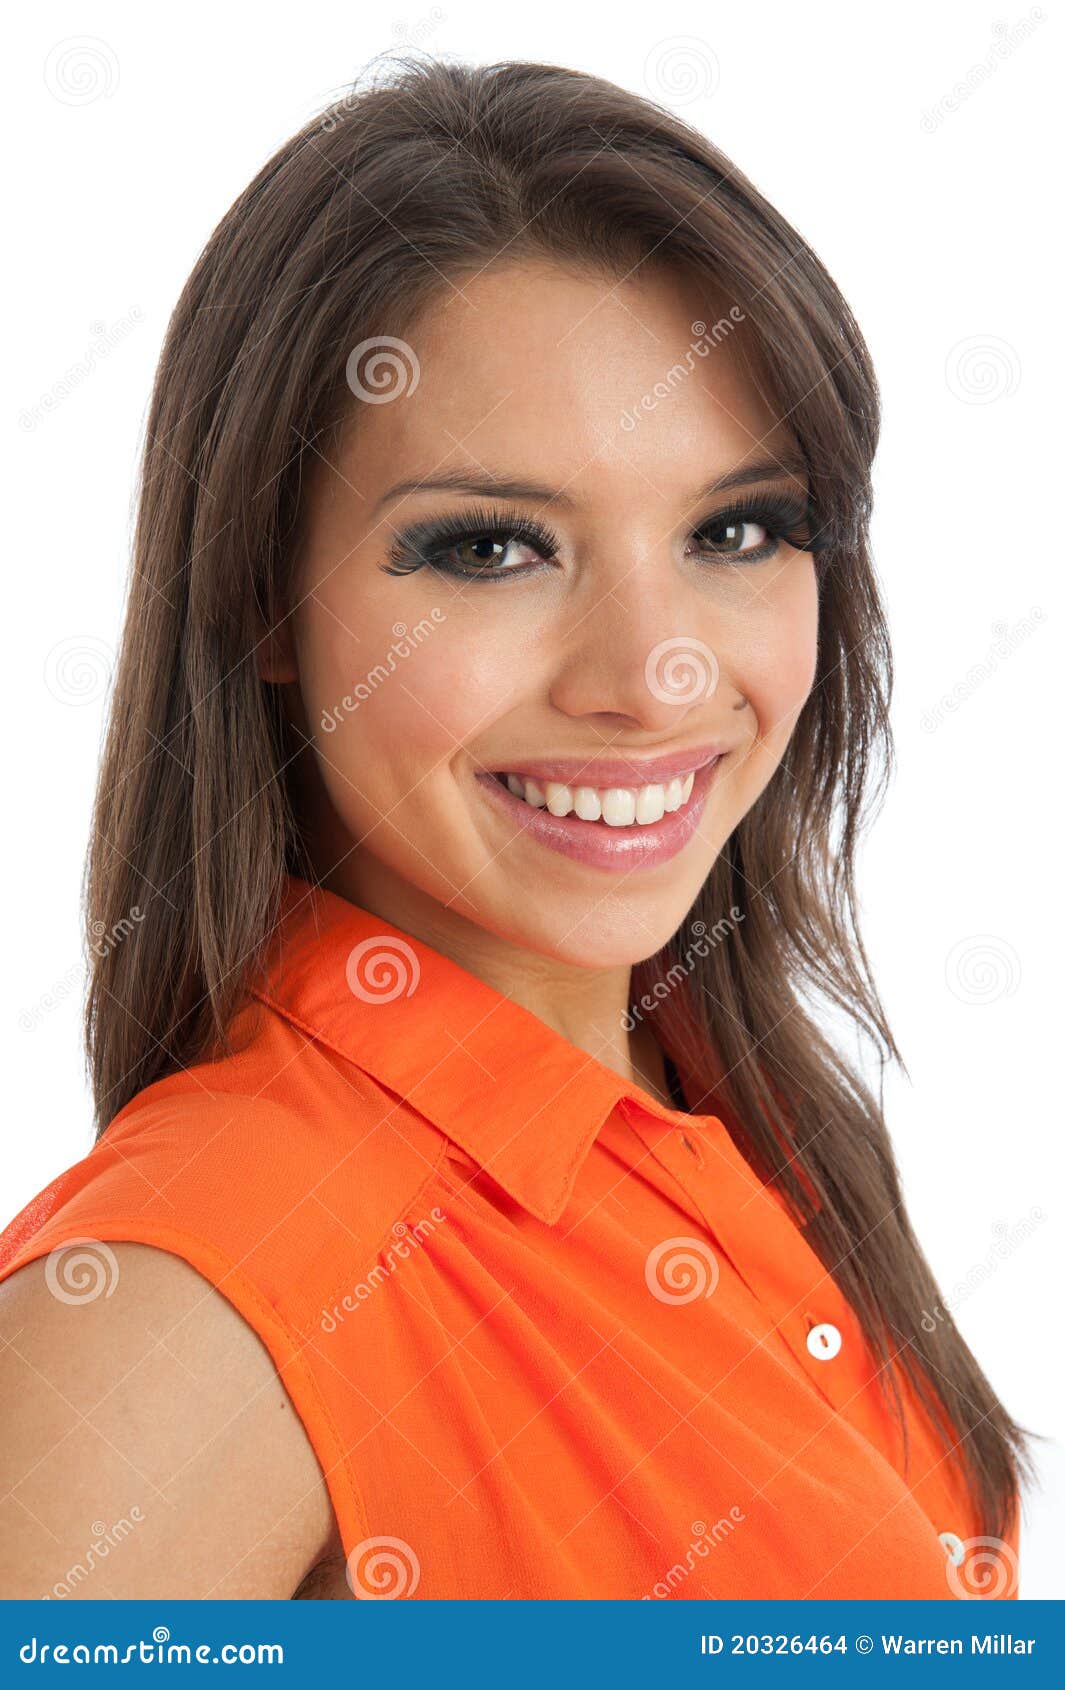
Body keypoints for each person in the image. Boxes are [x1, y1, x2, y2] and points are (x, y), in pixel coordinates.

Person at [0, 56, 1032, 1601]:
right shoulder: (194, 1291)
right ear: (262, 596)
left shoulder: (744, 1113)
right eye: (491, 547)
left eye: (736, 528)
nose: (653, 675)